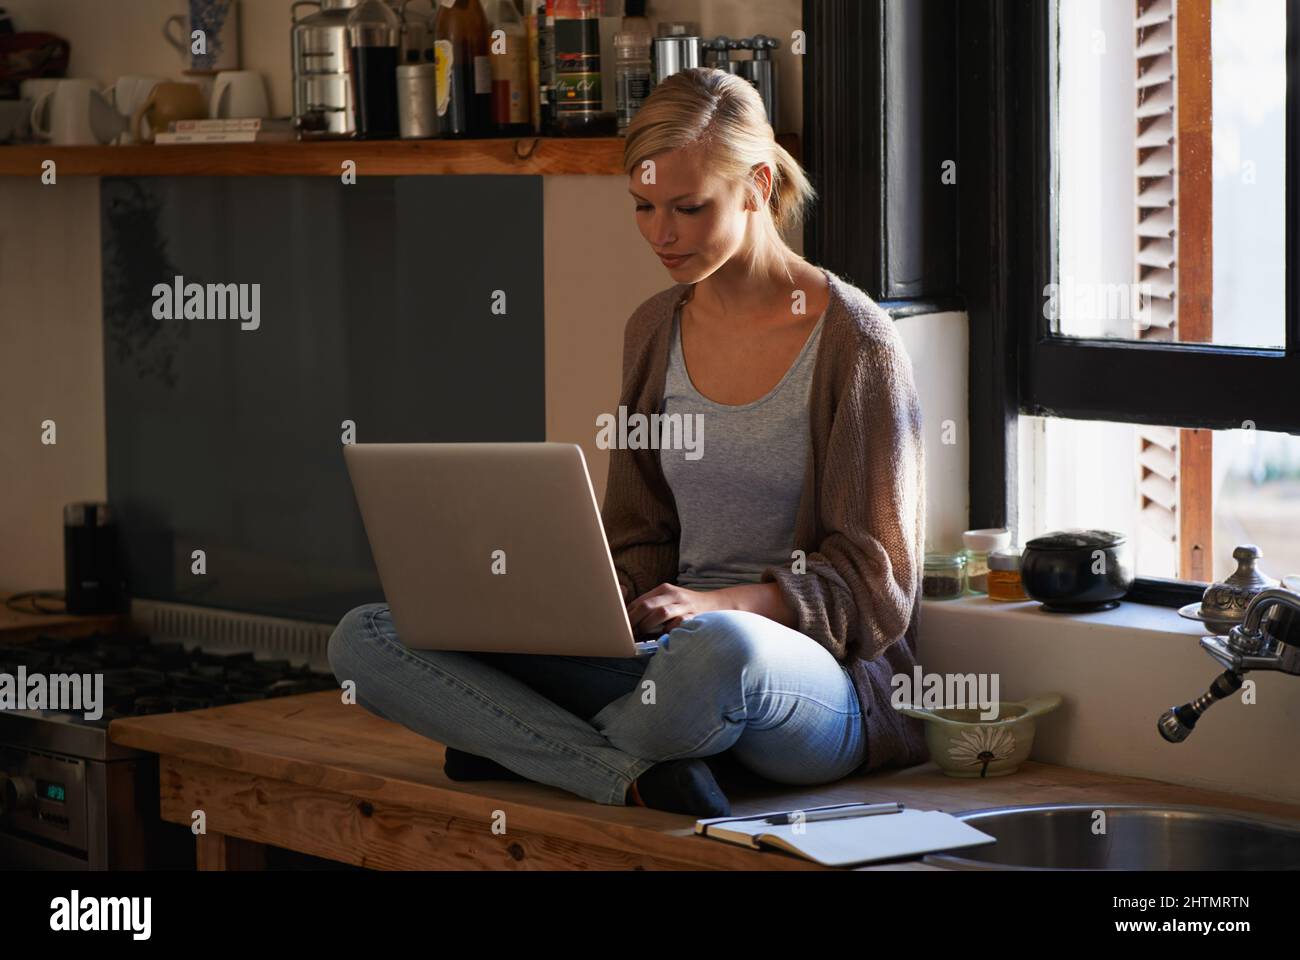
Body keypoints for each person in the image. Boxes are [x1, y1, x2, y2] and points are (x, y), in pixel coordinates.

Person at [328, 67, 928, 819]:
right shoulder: (654, 329)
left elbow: (878, 593)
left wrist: (717, 604)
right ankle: (636, 771)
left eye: (687, 207)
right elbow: (640, 535)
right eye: (642, 207)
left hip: (801, 681)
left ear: (757, 185)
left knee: (721, 651)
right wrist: (587, 605)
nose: (660, 234)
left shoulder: (857, 342)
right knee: (367, 638)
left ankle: (526, 744)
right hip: (658, 664)